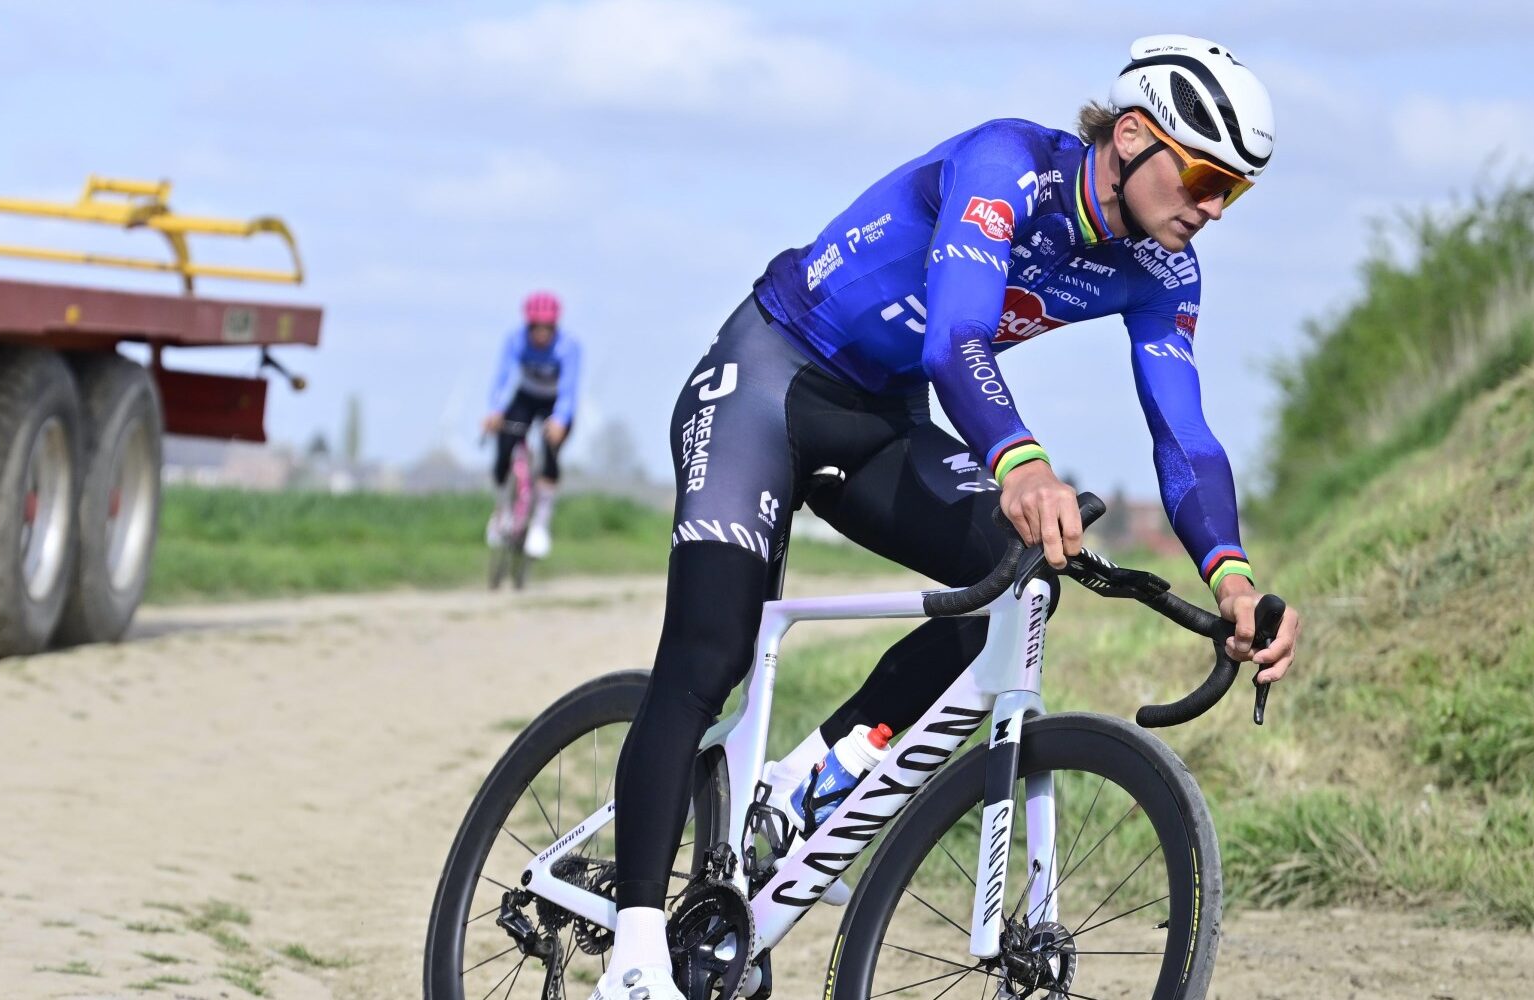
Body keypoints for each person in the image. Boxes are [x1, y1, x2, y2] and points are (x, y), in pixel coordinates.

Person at [590, 36, 1306, 1000]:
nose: (1214, 208)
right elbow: (955, 338)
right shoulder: (1008, 164)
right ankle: (636, 956)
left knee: (1013, 576)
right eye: (1207, 178)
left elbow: (1185, 435)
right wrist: (1021, 460)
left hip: (878, 424)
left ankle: (806, 783)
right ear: (1134, 137)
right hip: (767, 378)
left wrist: (1235, 579)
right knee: (709, 653)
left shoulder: (1165, 269)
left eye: (1237, 192)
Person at [482, 290, 580, 559]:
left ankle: (540, 524)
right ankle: (502, 511)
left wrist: (560, 421)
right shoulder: (515, 340)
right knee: (504, 447)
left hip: (555, 403)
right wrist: (494, 411)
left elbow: (569, 389)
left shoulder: (568, 347)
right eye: (536, 327)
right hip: (525, 398)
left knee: (550, 453)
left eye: (547, 328)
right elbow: (502, 378)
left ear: (554, 326)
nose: (541, 334)